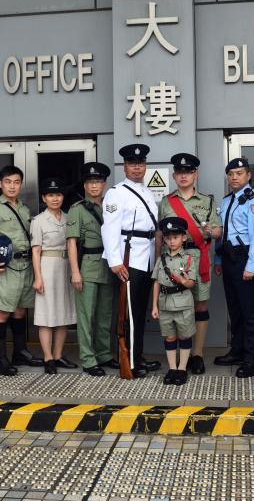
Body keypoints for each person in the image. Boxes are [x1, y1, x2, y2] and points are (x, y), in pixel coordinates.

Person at [156, 153, 221, 375]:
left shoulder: (207, 201)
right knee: (176, 305)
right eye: (180, 173)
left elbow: (218, 231)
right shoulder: (166, 202)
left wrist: (210, 231)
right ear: (174, 176)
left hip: (198, 255)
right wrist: (158, 260)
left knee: (200, 305)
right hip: (172, 258)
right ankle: (178, 361)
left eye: (188, 172)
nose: (184, 176)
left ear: (195, 174)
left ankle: (198, 354)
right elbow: (158, 234)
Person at [0, 165, 42, 376]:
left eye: (16, 182)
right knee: (3, 312)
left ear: (20, 184)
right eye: (8, 182)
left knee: (21, 310)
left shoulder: (24, 208)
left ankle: (20, 352)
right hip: (8, 267)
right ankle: (0, 358)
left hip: (26, 265)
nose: (12, 186)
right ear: (1, 184)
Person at [101, 144, 161, 377]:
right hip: (129, 259)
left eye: (141, 164)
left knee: (139, 311)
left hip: (145, 257)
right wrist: (116, 262)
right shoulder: (116, 193)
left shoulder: (146, 191)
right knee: (130, 315)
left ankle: (138, 355)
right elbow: (110, 229)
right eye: (132, 164)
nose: (137, 168)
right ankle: (131, 362)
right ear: (124, 166)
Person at [216, 157, 254, 378]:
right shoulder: (228, 200)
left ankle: (252, 359)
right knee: (235, 309)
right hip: (229, 259)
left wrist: (252, 265)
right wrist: (219, 261)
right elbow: (224, 232)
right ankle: (237, 351)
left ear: (248, 176)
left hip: (246, 259)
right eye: (231, 174)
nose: (234, 177)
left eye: (239, 173)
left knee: (251, 312)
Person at [67, 162, 115, 376]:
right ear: (85, 185)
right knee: (86, 315)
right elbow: (71, 242)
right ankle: (88, 358)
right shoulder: (77, 209)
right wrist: (75, 271)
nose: (94, 186)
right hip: (88, 264)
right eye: (90, 182)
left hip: (109, 264)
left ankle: (104, 353)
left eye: (97, 182)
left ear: (104, 184)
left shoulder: (111, 206)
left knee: (105, 314)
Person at [31, 178, 78, 374]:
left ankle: (58, 355)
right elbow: (35, 251)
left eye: (58, 194)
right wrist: (38, 277)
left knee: (63, 314)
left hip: (65, 266)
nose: (55, 198)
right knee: (46, 315)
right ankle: (47, 357)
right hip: (47, 266)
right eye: (50, 195)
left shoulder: (68, 218)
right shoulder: (38, 220)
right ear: (44, 198)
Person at [152, 216, 199, 385]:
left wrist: (183, 281)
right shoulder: (161, 259)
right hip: (165, 305)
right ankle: (172, 368)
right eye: (168, 238)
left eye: (175, 237)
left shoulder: (188, 259)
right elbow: (156, 282)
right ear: (164, 239)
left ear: (184, 237)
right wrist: (154, 306)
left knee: (185, 337)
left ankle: (182, 368)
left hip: (184, 304)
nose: (172, 241)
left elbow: (192, 283)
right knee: (170, 338)